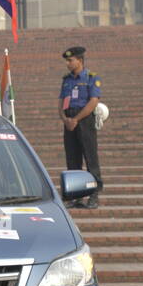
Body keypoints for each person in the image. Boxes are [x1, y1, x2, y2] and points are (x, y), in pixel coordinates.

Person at [59, 46, 103, 208]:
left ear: (80, 60)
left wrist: (76, 119)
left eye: (70, 60)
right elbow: (61, 102)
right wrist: (65, 119)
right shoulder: (66, 80)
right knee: (72, 159)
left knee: (90, 158)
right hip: (69, 121)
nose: (68, 64)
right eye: (67, 61)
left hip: (84, 120)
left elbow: (93, 101)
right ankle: (76, 195)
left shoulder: (91, 78)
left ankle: (94, 195)